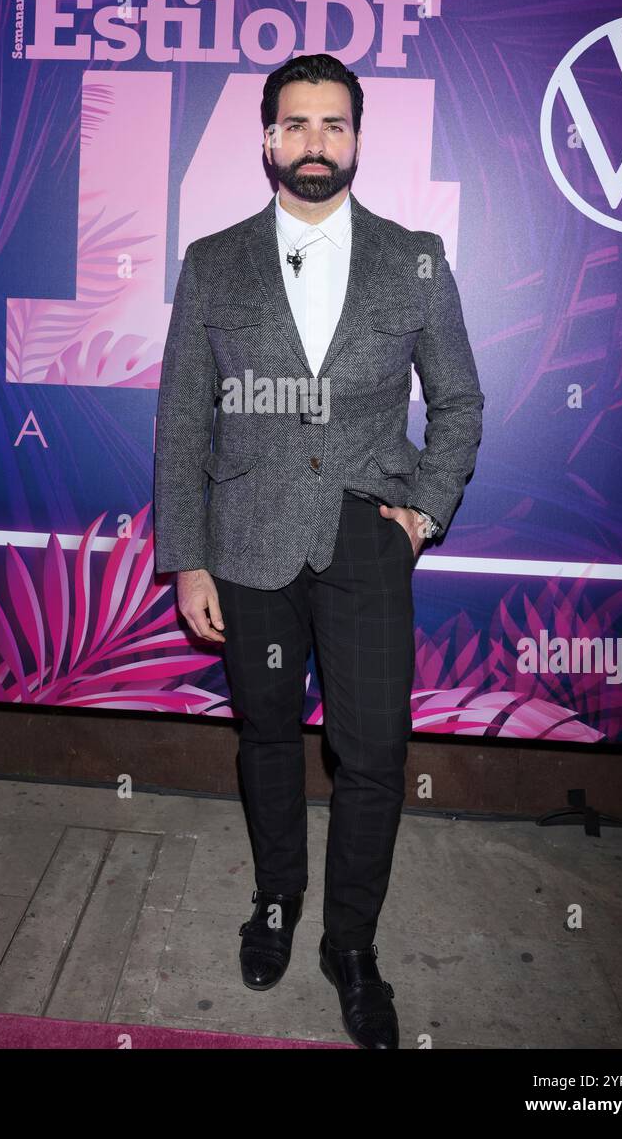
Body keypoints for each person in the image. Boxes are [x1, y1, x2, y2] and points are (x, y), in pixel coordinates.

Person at [154, 53, 483, 1048]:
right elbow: (181, 423)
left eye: (332, 125)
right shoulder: (214, 261)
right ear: (266, 140)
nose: (313, 144)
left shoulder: (415, 257)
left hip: (365, 540)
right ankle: (275, 900)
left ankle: (351, 945)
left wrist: (422, 514)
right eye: (294, 125)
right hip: (248, 544)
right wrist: (188, 557)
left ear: (356, 138)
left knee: (373, 754)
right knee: (265, 738)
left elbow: (460, 404)